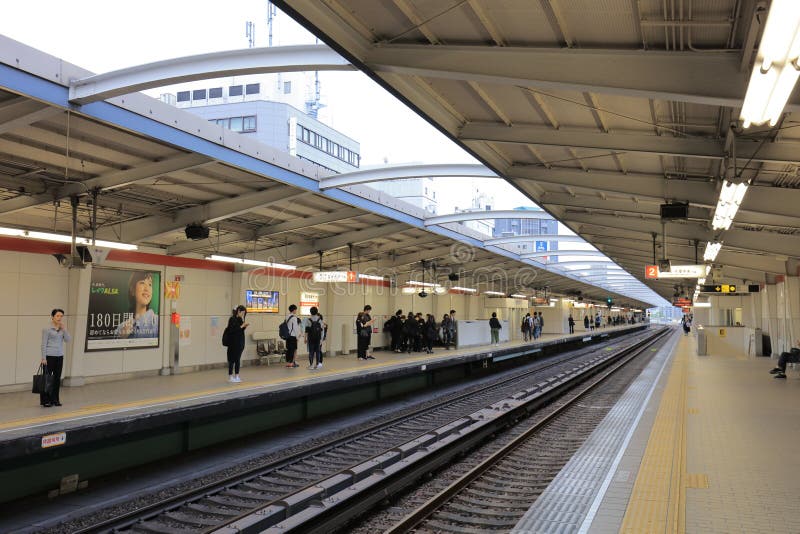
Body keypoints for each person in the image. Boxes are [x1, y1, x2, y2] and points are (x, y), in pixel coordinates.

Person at [40, 308, 71, 407]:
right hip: (49, 356)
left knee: (57, 379)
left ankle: (55, 400)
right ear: (53, 317)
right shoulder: (47, 329)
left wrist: (64, 329)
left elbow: (68, 340)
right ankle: (46, 401)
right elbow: (43, 344)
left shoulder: (62, 329)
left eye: (61, 316)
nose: (59, 318)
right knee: (47, 379)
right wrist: (43, 357)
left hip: (59, 356)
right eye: (57, 316)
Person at [115, 271, 158, 339]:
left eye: (150, 284)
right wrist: (121, 338)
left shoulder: (158, 322)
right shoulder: (121, 327)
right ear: (132, 290)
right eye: (142, 283)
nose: (147, 289)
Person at [226, 305, 248, 382]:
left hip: (239, 343)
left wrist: (244, 326)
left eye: (244, 313)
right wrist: (242, 326)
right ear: (238, 311)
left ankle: (237, 375)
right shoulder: (232, 319)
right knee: (231, 360)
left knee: (237, 359)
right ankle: (230, 376)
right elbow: (232, 331)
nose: (243, 314)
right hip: (233, 343)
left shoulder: (239, 319)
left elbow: (240, 330)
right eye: (242, 312)